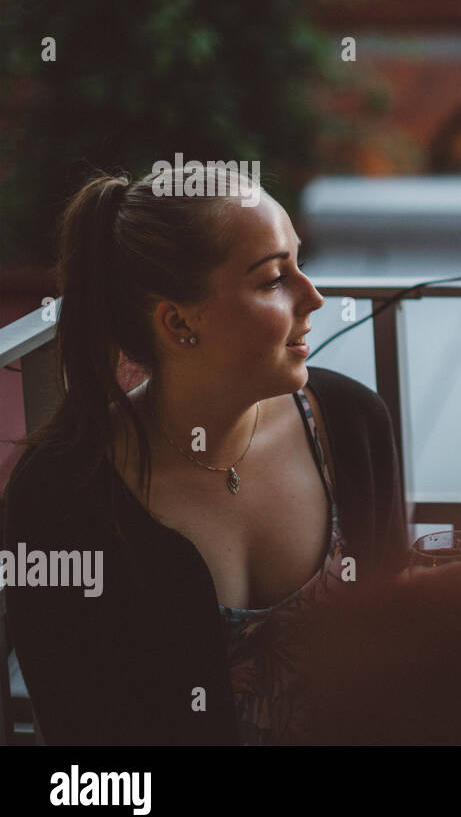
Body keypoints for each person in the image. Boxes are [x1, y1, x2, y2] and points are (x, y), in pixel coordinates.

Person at [2, 169, 414, 744]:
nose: (313, 295)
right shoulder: (63, 495)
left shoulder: (351, 424)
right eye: (273, 279)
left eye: (300, 262)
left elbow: (399, 672)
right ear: (177, 322)